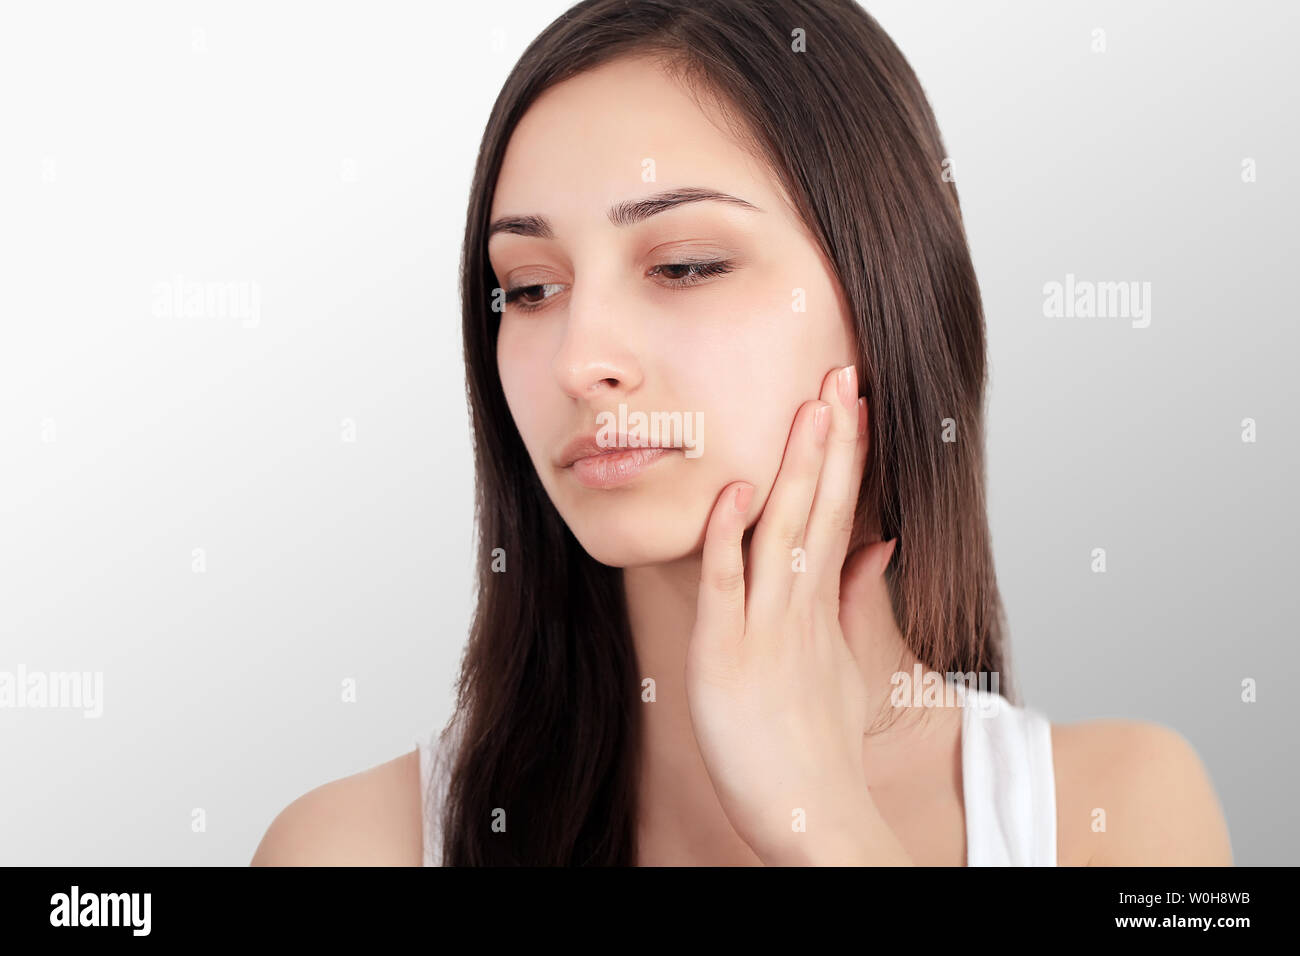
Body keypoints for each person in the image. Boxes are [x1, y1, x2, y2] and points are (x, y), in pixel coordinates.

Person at [252, 0, 1232, 866]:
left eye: (682, 265)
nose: (577, 357)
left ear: (884, 293)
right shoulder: (353, 845)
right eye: (531, 286)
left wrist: (826, 828)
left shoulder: (1114, 810)